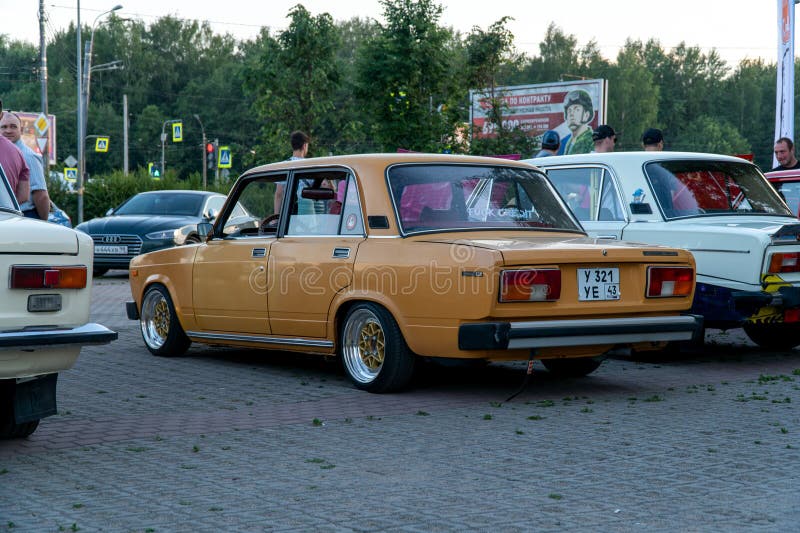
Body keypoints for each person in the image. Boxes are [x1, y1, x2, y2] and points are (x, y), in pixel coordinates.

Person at [0, 112, 50, 219]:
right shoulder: (4, 153)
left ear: (21, 130)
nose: (8, 131)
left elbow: (41, 195)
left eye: (13, 127)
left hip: (26, 215)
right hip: (9, 216)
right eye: (4, 127)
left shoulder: (29, 156)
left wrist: (43, 222)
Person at [274, 131, 310, 211]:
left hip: (289, 210)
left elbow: (279, 194)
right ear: (304, 145)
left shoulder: (283, 166)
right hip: (307, 210)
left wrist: (276, 215)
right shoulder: (311, 165)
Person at [562, 90, 595, 154]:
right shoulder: (570, 142)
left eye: (577, 109)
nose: (571, 114)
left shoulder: (591, 141)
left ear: (586, 115)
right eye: (569, 111)